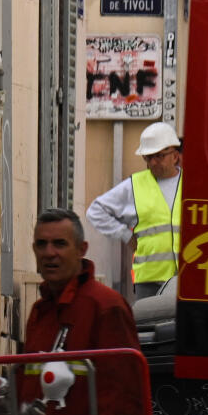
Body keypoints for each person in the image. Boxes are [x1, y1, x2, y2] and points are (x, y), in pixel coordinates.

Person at [19, 209, 141, 415]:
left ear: (81, 249)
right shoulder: (40, 312)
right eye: (41, 244)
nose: (49, 253)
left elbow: (122, 400)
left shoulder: (106, 308)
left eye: (60, 244)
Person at [85, 121, 183, 300]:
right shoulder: (135, 186)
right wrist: (125, 235)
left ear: (175, 156)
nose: (152, 162)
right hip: (150, 280)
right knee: (149, 327)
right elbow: (95, 211)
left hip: (187, 276)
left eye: (158, 156)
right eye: (148, 157)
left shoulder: (193, 184)